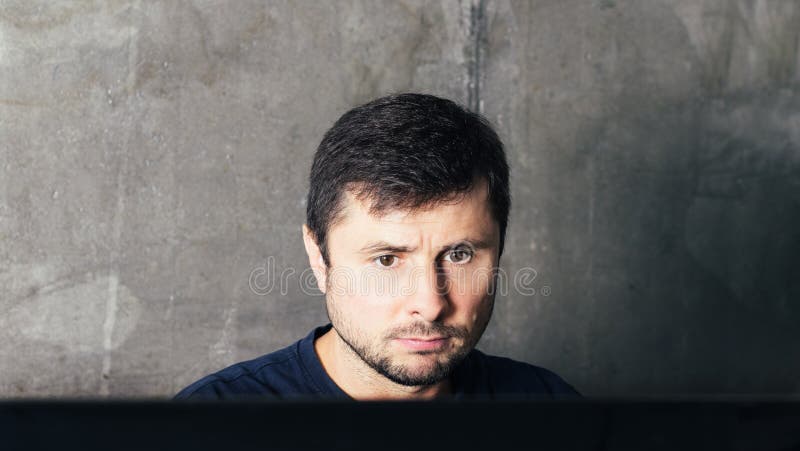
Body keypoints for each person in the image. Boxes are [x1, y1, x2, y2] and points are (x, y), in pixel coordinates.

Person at [176, 93, 579, 400]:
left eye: (459, 255)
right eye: (387, 259)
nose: (431, 303)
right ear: (319, 258)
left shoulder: (554, 413)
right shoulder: (206, 429)